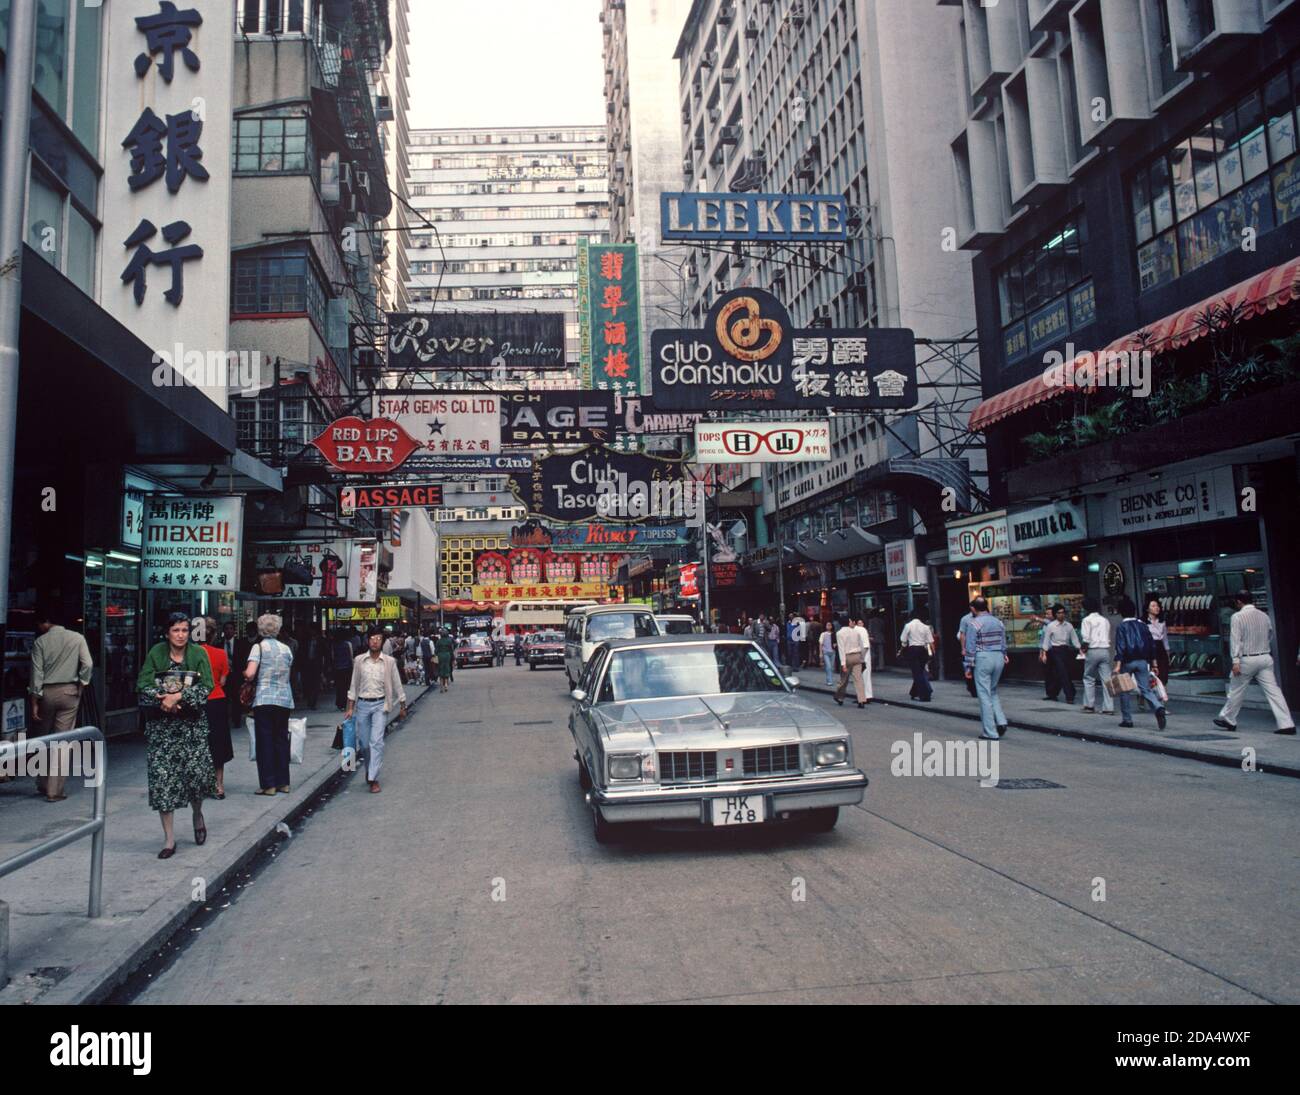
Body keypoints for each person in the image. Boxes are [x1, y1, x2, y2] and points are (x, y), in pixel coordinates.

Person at [137, 613, 215, 858]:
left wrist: (179, 696)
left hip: (192, 727)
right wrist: (162, 698)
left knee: (195, 777)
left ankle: (197, 813)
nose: (180, 635)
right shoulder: (156, 653)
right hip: (163, 730)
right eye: (175, 630)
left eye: (184, 630)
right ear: (167, 633)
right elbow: (143, 683)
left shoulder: (199, 654)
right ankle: (169, 839)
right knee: (163, 782)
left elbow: (207, 686)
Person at [28, 607, 93, 802]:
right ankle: (54, 791)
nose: (39, 628)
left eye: (39, 624)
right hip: (69, 692)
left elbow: (36, 673)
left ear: (46, 622)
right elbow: (88, 664)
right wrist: (82, 683)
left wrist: (34, 700)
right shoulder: (77, 638)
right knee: (62, 741)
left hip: (46, 693)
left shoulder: (40, 642)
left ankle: (42, 783)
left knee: (44, 738)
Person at [1214, 590, 1296, 735]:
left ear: (1239, 602)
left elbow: (1235, 640)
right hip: (1265, 657)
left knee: (1236, 690)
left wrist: (1235, 661)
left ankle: (1228, 718)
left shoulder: (1237, 617)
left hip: (1246, 659)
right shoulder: (1264, 616)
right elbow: (1270, 633)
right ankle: (1286, 724)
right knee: (1274, 692)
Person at [346, 625, 407, 793]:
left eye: (378, 639)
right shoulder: (359, 661)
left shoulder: (389, 662)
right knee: (364, 744)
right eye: (372, 639)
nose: (375, 642)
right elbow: (354, 684)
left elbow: (396, 683)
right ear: (368, 641)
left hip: (381, 705)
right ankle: (368, 770)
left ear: (382, 641)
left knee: (377, 742)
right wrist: (350, 707)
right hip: (363, 705)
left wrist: (402, 703)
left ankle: (373, 778)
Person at [244, 613, 295, 796]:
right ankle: (284, 783)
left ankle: (268, 784)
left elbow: (250, 674)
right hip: (284, 699)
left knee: (265, 741)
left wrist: (245, 674)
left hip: (264, 699)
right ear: (278, 629)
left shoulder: (258, 648)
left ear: (260, 629)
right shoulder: (286, 649)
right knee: (281, 740)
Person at [1114, 596, 1167, 730]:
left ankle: (1127, 719)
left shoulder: (1122, 627)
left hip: (1127, 662)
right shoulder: (1143, 625)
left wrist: (1118, 665)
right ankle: (1158, 706)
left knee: (1124, 690)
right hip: (1143, 661)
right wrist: (1154, 664)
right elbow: (1151, 645)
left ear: (1121, 612)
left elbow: (1120, 646)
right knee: (1146, 689)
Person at [198, 617, 234, 800]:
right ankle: (218, 785)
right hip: (217, 700)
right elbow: (222, 681)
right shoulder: (221, 654)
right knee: (217, 744)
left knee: (198, 742)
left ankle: (200, 783)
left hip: (196, 702)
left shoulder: (190, 654)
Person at [963, 597, 1009, 740]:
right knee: (993, 690)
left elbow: (970, 646)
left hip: (983, 657)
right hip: (998, 657)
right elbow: (1003, 641)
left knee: (983, 694)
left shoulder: (974, 623)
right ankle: (1001, 721)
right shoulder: (998, 622)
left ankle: (990, 731)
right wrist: (1004, 654)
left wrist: (968, 666)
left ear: (974, 609)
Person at [1039, 603, 1081, 704]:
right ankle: (1069, 696)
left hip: (1066, 650)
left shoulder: (1068, 625)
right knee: (1062, 672)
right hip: (1054, 651)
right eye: (1059, 613)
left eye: (1063, 613)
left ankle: (1054, 693)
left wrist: (1079, 648)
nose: (1061, 615)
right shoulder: (1051, 626)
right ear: (1055, 614)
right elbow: (1046, 640)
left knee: (1063, 673)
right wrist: (1043, 653)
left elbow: (1074, 639)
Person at [1079, 598, 1114, 715]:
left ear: (1086, 608)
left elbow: (1086, 639)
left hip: (1092, 650)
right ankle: (1109, 707)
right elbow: (1108, 637)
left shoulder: (1086, 620)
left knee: (1088, 677)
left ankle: (1089, 705)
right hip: (1105, 650)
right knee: (1107, 680)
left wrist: (1083, 649)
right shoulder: (1105, 620)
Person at [833, 615, 868, 709]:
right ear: (848, 622)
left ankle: (839, 697)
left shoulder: (839, 633)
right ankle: (861, 700)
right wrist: (862, 658)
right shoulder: (856, 632)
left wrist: (843, 663)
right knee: (858, 679)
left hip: (847, 656)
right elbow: (862, 646)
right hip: (857, 656)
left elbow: (841, 649)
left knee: (844, 679)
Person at [900, 612, 935, 702]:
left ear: (911, 618)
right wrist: (933, 653)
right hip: (923, 650)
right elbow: (931, 641)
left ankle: (925, 694)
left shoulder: (908, 626)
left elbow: (903, 640)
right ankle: (914, 692)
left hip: (913, 649)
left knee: (917, 673)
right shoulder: (925, 627)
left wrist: (901, 650)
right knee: (920, 671)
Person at [230, 621, 257, 730]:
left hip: (255, 672)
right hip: (243, 671)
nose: (250, 632)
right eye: (248, 630)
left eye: (252, 630)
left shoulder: (260, 642)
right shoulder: (242, 642)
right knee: (243, 694)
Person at [1145, 598, 1170, 686]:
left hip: (1161, 649)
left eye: (1157, 606)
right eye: (1153, 606)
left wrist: (1167, 654)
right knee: (1151, 677)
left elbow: (1165, 639)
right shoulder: (1144, 623)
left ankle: (1163, 697)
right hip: (1150, 649)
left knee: (1163, 676)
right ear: (1147, 609)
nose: (1156, 608)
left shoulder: (1162, 622)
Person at [956, 609, 978, 698]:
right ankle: (972, 688)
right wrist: (963, 648)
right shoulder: (965, 619)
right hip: (969, 650)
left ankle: (975, 688)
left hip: (980, 650)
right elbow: (960, 635)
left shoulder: (985, 618)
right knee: (969, 670)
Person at [333, 629, 354, 710]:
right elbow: (351, 657)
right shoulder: (348, 644)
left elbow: (333, 656)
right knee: (345, 687)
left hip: (337, 668)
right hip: (347, 668)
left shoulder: (335, 645)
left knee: (339, 686)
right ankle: (343, 704)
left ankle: (339, 703)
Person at [854, 617, 874, 702]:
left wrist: (861, 657)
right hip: (864, 654)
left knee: (860, 676)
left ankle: (863, 697)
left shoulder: (859, 630)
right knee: (864, 676)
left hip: (862, 655)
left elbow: (865, 645)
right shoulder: (862, 630)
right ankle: (866, 695)